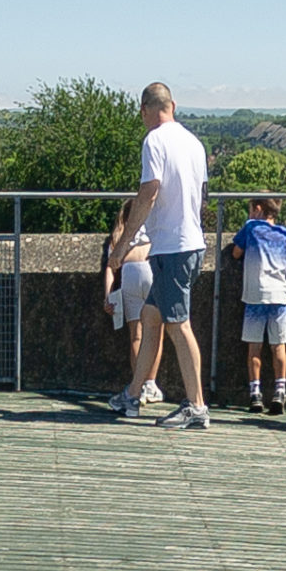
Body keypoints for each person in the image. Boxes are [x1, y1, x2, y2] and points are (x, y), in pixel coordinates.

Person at [107, 82, 210, 430]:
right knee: (152, 318)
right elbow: (202, 195)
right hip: (190, 243)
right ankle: (133, 395)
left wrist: (122, 246)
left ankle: (197, 406)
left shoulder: (154, 140)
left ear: (145, 110)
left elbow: (149, 192)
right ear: (173, 105)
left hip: (172, 248)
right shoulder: (194, 143)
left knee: (179, 325)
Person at [225, 196, 286, 414]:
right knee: (278, 346)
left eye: (250, 209)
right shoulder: (285, 233)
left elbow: (236, 252)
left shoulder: (250, 228)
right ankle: (280, 390)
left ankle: (255, 393)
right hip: (279, 295)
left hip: (255, 295)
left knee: (254, 347)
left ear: (258, 209)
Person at [101, 199, 162, 413]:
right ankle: (151, 383)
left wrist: (108, 295)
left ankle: (138, 384)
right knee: (156, 331)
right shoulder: (152, 227)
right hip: (150, 269)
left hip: (129, 274)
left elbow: (110, 268)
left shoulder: (119, 235)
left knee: (136, 335)